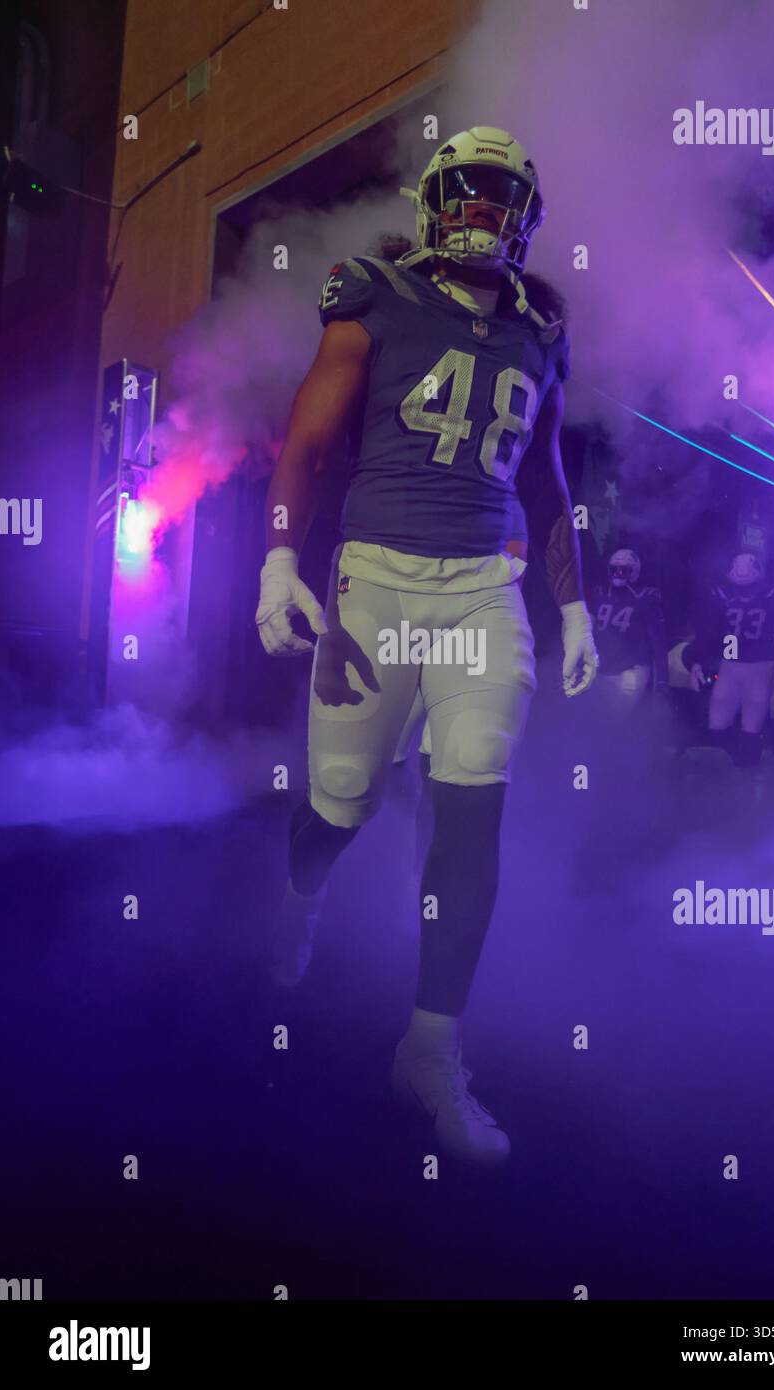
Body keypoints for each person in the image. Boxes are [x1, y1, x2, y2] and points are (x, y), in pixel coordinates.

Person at [255, 127, 597, 1166]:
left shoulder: (541, 322)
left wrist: (573, 605)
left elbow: (543, 476)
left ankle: (430, 1048)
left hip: (484, 590)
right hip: (377, 579)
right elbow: (308, 440)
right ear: (432, 200)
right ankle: (299, 898)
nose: (485, 213)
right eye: (471, 193)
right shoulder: (375, 293)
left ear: (527, 217)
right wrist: (279, 563)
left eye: (504, 199)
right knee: (339, 803)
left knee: (475, 792)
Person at [689, 551, 774, 766]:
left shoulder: (773, 597)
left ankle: (746, 774)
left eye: (748, 586)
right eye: (741, 586)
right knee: (718, 723)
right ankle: (730, 769)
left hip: (761, 662)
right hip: (735, 659)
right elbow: (711, 632)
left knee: (751, 726)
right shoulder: (725, 597)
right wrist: (698, 660)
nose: (744, 591)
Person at [591, 548, 668, 710]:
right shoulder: (600, 593)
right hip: (603, 667)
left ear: (634, 571)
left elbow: (658, 642)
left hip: (632, 669)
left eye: (624, 570)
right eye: (614, 569)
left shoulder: (645, 598)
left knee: (617, 718)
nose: (618, 573)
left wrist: (662, 681)